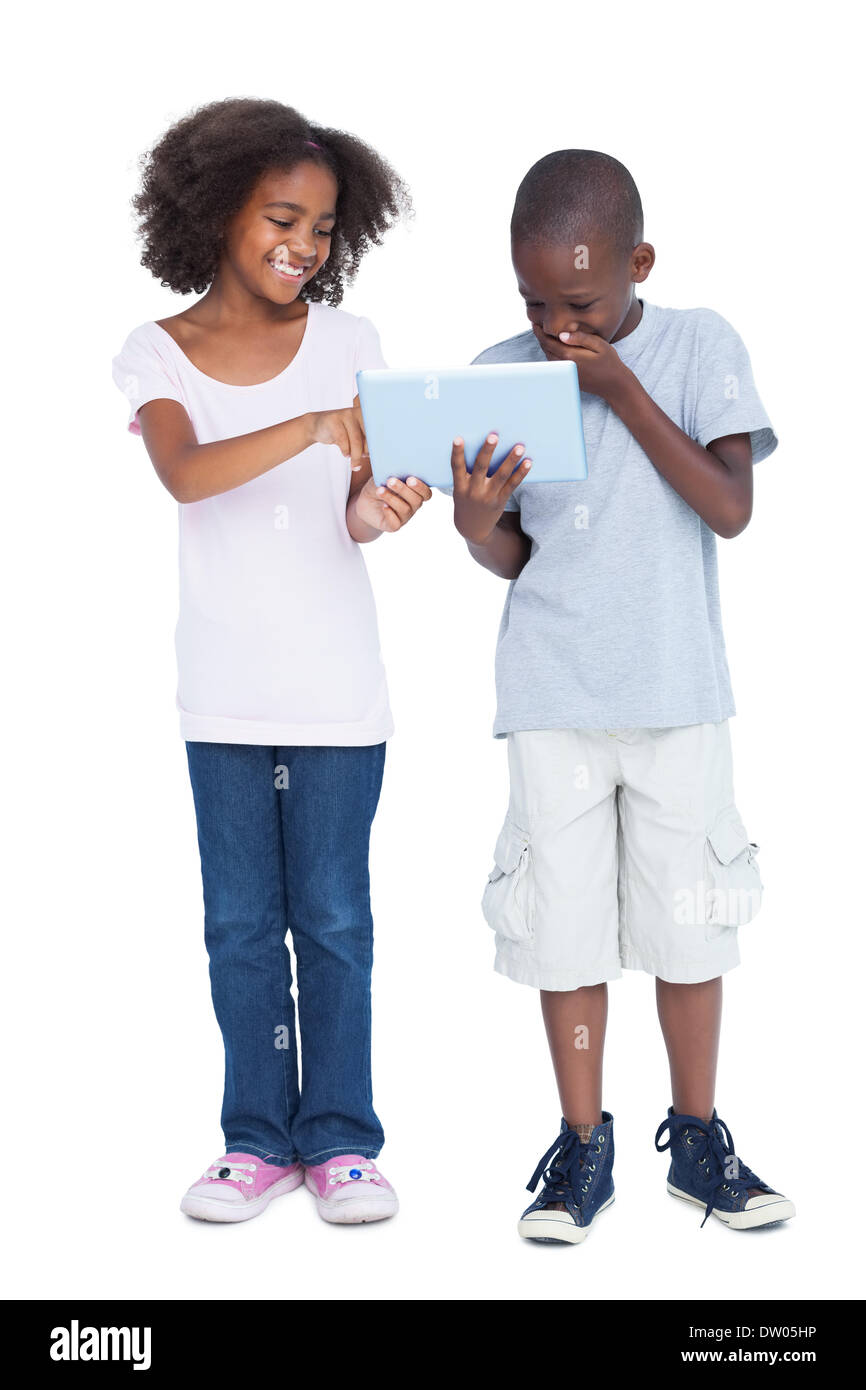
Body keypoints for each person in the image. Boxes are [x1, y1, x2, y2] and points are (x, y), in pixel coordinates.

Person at [444, 149, 794, 1243]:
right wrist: (472, 523)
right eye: (533, 300)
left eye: (581, 300)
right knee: (564, 932)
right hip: (550, 692)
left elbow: (728, 506)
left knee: (691, 926)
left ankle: (696, 1140)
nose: (555, 324)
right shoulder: (499, 373)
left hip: (675, 690)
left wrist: (619, 389)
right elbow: (514, 555)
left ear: (639, 263)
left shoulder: (699, 346)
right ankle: (580, 1147)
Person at [111, 97, 430, 1226]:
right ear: (214, 215)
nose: (305, 246)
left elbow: (353, 511)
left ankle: (342, 1142)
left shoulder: (351, 344)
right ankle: (254, 1141)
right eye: (280, 218)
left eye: (325, 226)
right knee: (241, 923)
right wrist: (307, 426)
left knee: (334, 919)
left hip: (339, 692)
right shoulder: (160, 352)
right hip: (225, 696)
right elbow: (186, 475)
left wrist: (380, 505)